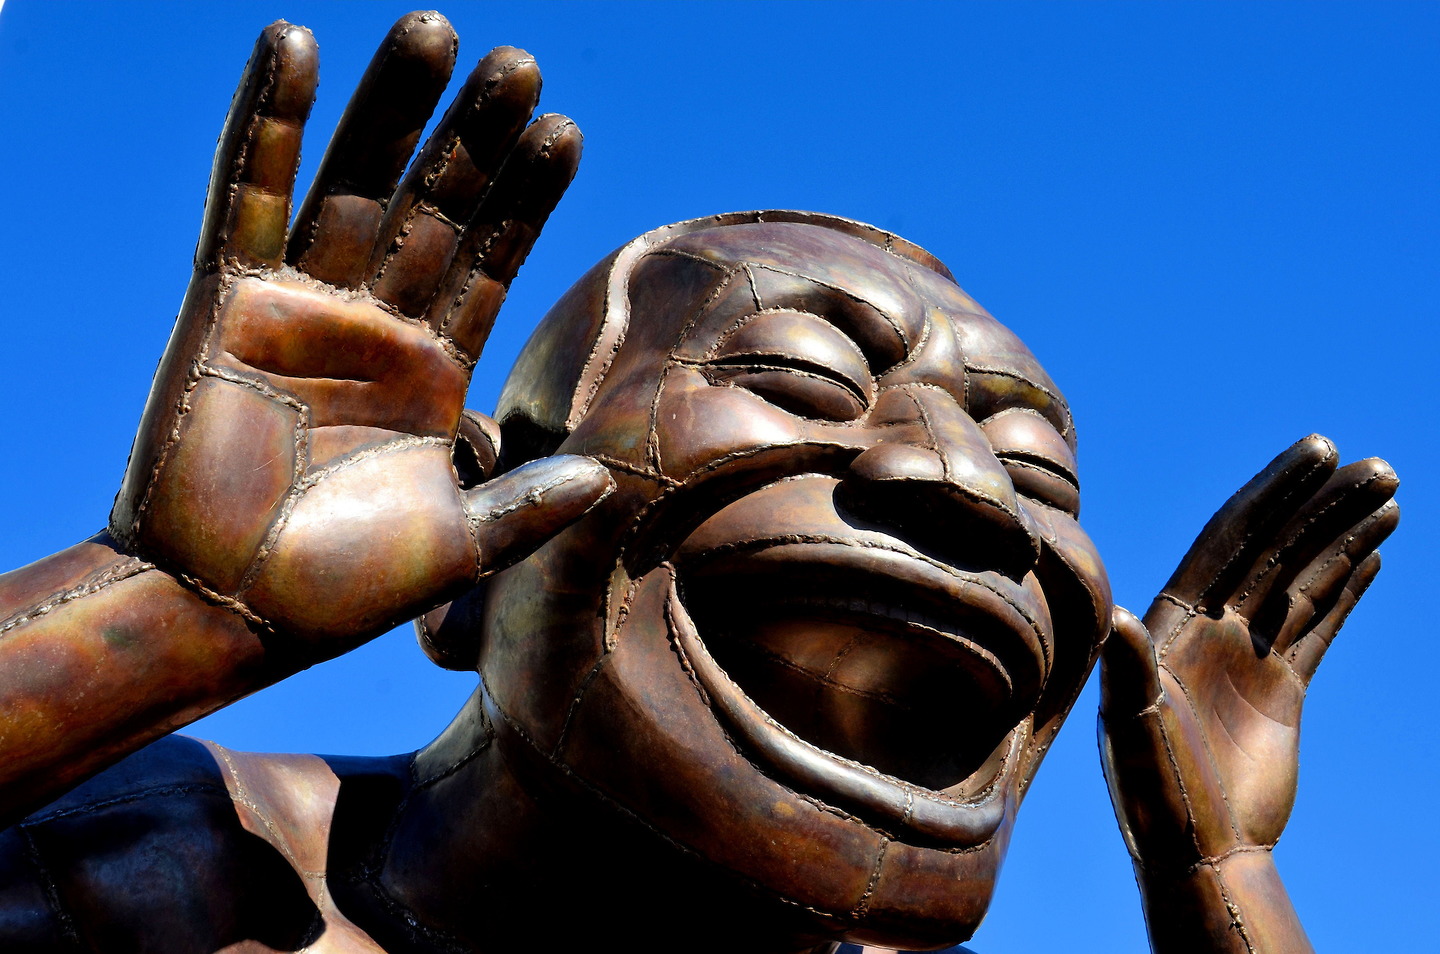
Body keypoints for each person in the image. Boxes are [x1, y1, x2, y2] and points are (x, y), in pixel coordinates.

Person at [0, 13, 1398, 954]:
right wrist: (159, 613)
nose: (969, 485)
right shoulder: (166, 873)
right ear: (469, 550)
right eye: (800, 375)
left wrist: (1220, 876)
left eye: (1038, 465)